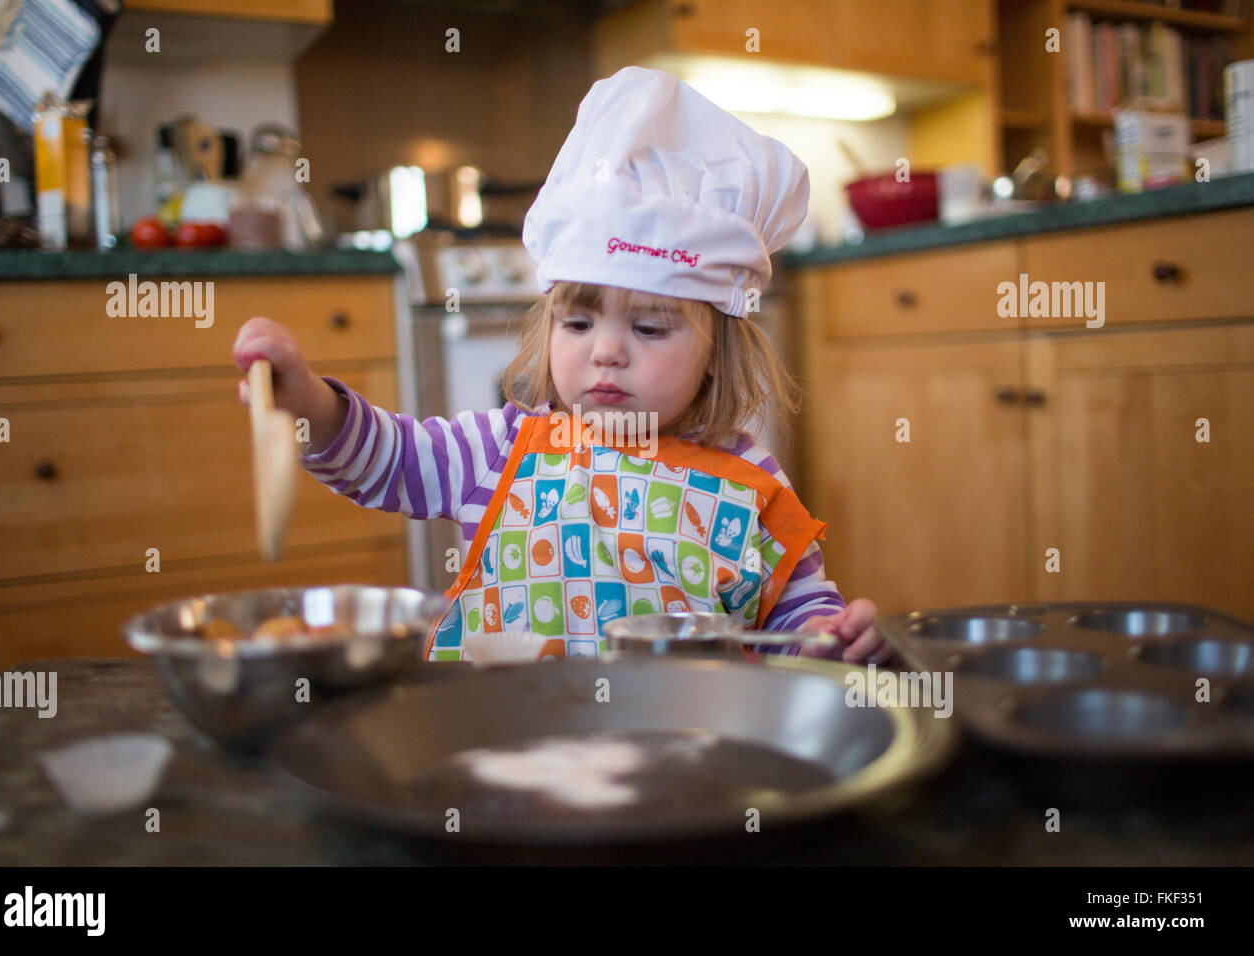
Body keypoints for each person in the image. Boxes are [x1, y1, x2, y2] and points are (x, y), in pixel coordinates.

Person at [233, 66, 892, 665]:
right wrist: (308, 401)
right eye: (578, 323)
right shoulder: (500, 450)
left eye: (649, 326)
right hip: (500, 752)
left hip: (678, 765)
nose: (605, 349)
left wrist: (840, 641)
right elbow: (387, 460)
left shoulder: (758, 490)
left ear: (717, 351)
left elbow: (800, 625)